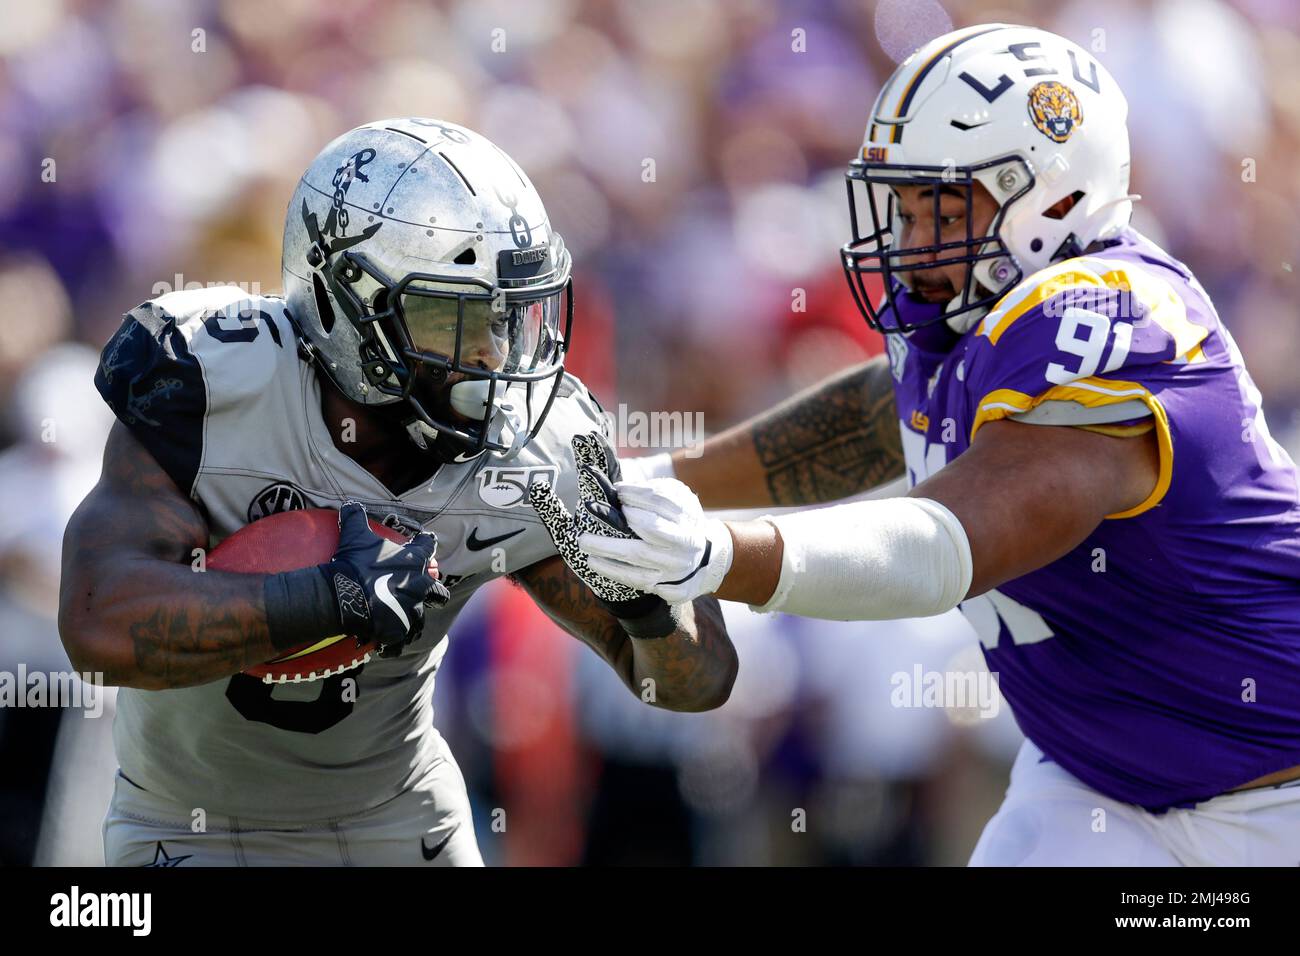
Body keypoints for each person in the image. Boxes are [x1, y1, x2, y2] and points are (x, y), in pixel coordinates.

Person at [584, 25, 1300, 866]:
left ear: (1055, 198)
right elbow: (878, 417)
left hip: (1272, 799)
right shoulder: (974, 312)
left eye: (947, 207)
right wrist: (657, 480)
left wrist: (709, 552)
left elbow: (942, 545)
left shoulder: (1103, 318)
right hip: (1092, 779)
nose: (915, 241)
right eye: (908, 205)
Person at [58, 118, 735, 867]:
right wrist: (327, 598)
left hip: (396, 822)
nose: (496, 354)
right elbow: (97, 624)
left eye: (509, 315)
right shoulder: (215, 381)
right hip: (187, 824)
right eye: (459, 316)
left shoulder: (534, 452)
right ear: (346, 300)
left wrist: (649, 604)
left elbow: (693, 685)